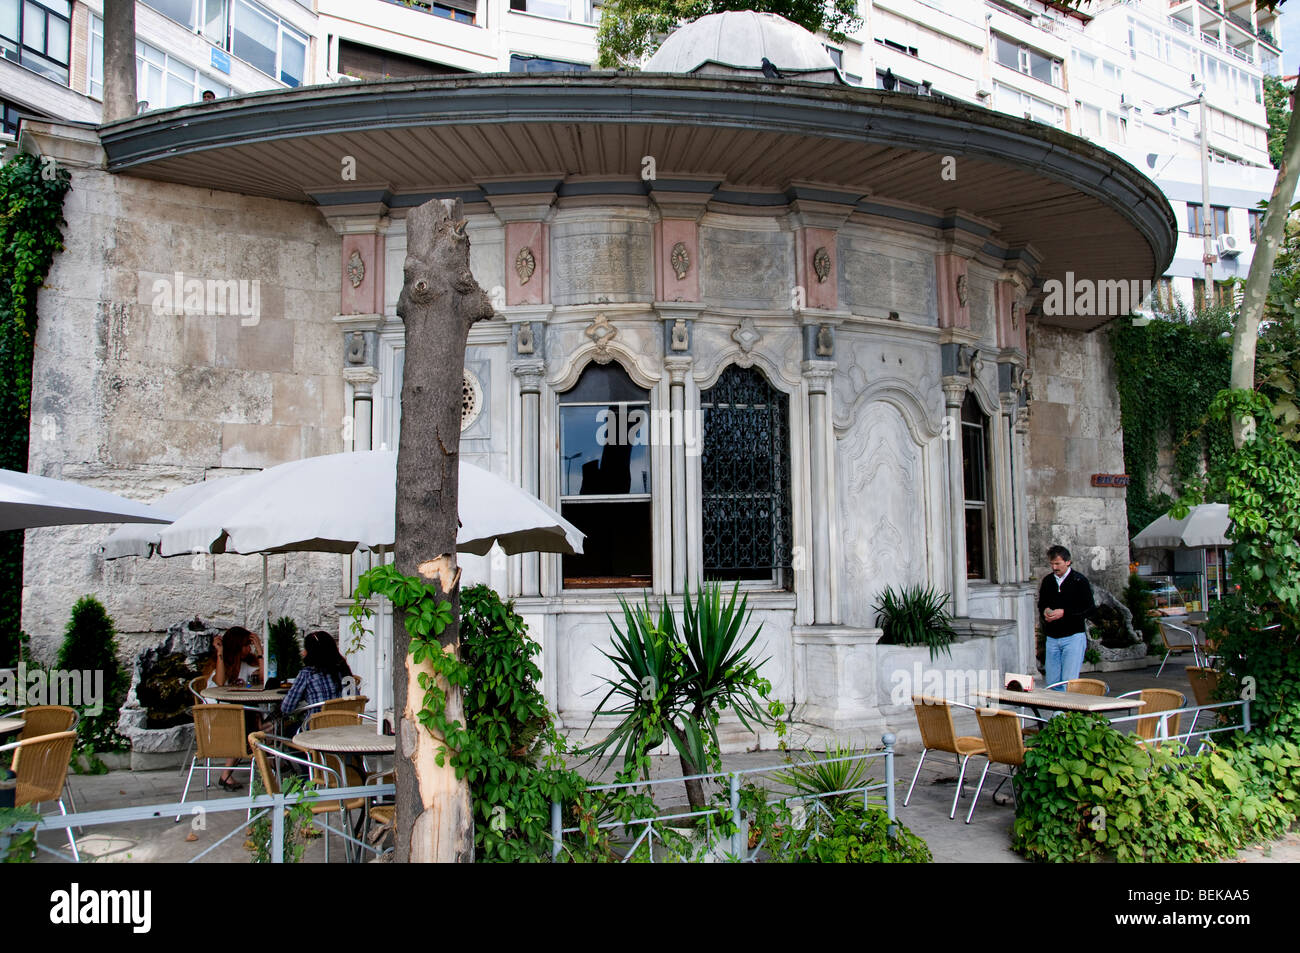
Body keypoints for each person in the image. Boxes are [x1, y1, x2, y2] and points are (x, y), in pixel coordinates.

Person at [208, 626, 263, 790]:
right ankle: (266, 763)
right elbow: (219, 682)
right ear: (237, 645)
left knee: (258, 719)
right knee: (254, 723)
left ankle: (266, 761)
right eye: (247, 645)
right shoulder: (221, 665)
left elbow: (265, 678)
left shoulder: (246, 666)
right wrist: (220, 652)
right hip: (217, 718)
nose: (249, 649)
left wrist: (260, 650)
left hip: (239, 714)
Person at [1038, 545, 1096, 692]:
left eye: (1057, 563)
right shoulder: (1048, 581)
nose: (1054, 567)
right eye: (1052, 564)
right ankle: (1057, 715)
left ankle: (1067, 714)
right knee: (1052, 683)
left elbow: (1089, 608)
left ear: (1068, 562)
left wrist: (1064, 613)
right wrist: (1045, 611)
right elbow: (1042, 603)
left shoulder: (1079, 581)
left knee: (1068, 682)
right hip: (1052, 637)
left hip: (1073, 636)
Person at [281, 630, 354, 725]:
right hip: (345, 727)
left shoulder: (307, 674)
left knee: (284, 726)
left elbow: (286, 708)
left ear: (312, 652)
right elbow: (353, 700)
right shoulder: (344, 671)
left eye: (305, 649)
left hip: (315, 730)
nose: (303, 653)